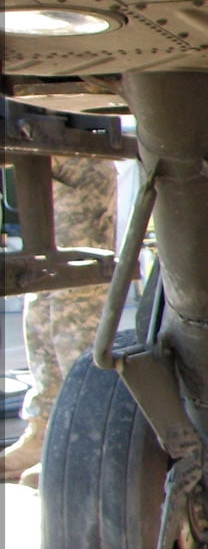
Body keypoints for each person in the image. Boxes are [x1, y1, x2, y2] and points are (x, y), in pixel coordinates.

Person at [2, 156, 119, 489]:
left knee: (74, 289)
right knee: (39, 291)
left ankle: (84, 439)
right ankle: (46, 429)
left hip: (74, 154)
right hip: (38, 160)